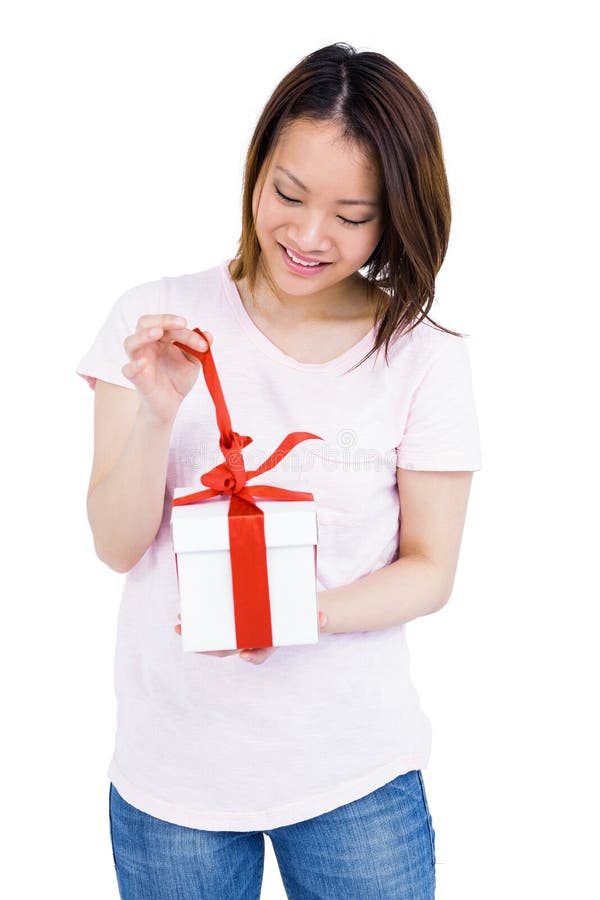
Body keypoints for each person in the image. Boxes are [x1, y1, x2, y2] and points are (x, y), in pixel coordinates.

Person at [76, 41, 482, 900]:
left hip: (355, 775)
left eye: (352, 215)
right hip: (173, 775)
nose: (308, 236)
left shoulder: (421, 355)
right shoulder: (158, 316)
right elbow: (116, 545)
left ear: (396, 217)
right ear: (257, 169)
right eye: (289, 195)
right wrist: (157, 411)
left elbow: (430, 569)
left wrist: (292, 613)